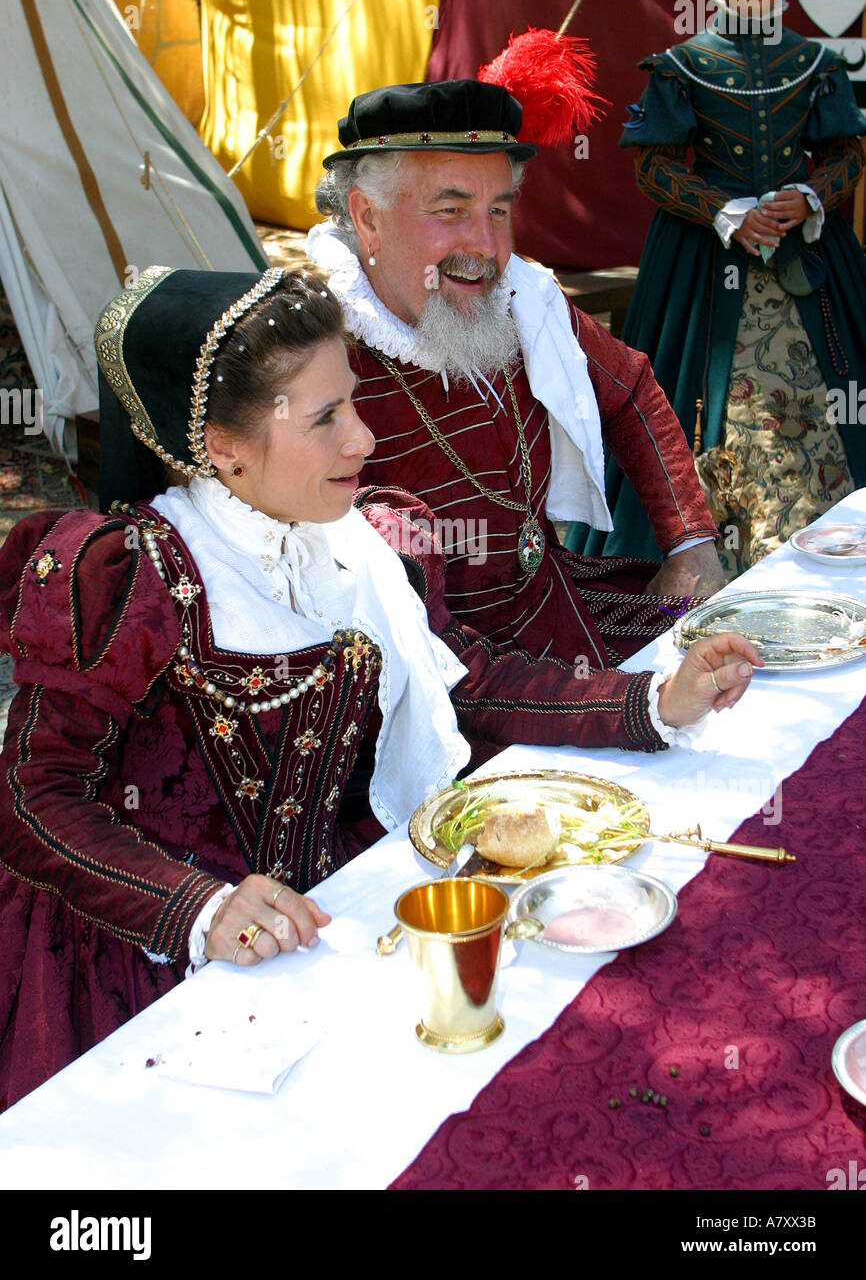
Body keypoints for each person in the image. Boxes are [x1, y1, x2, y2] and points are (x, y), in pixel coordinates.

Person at [0, 265, 758, 1109]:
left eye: (352, 403)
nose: (362, 439)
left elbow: (469, 679)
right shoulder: (131, 577)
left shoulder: (357, 544)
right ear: (222, 450)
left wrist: (651, 702)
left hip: (326, 931)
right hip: (146, 959)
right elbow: (32, 796)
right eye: (325, 419)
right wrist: (195, 907)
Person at [309, 78, 727, 671]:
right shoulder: (319, 351)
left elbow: (631, 388)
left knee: (738, 652)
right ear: (367, 218)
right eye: (451, 210)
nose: (484, 245)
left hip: (558, 604)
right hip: (432, 672)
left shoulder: (525, 302)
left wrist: (690, 543)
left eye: (498, 210)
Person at [585, 0, 866, 576]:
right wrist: (727, 211)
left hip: (807, 257)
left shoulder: (813, 63)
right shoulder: (684, 65)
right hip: (705, 268)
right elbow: (653, 166)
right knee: (698, 409)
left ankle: (833, 551)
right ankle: (708, 562)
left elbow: (847, 150)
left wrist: (814, 195)